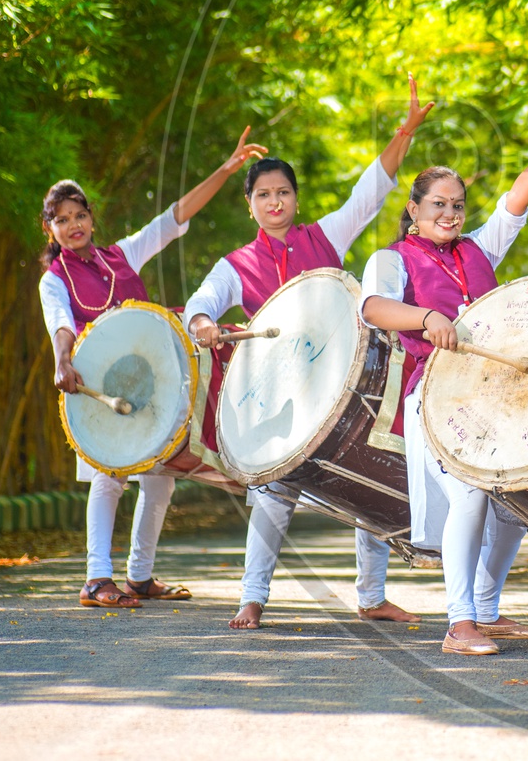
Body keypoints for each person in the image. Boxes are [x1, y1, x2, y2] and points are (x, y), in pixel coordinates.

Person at [360, 93, 528, 655]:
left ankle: (485, 608)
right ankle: (459, 625)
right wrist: (427, 316)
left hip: (497, 399)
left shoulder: (480, 249)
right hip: (433, 400)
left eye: (457, 206)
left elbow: (523, 189)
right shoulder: (392, 260)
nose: (450, 215)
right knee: (472, 496)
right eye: (437, 205)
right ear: (413, 209)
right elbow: (374, 308)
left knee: (516, 499)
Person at [184, 76, 432, 630]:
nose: (275, 202)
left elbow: (372, 189)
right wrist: (203, 325)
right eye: (263, 195)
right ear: (249, 206)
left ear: (295, 198)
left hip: (338, 391)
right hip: (274, 400)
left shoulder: (325, 237)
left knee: (366, 480)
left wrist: (406, 130)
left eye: (283, 193)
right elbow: (200, 305)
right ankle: (252, 598)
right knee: (273, 498)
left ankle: (372, 597)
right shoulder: (235, 266)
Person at [40, 128, 268, 609]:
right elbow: (61, 324)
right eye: (62, 219)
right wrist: (62, 361)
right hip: (96, 392)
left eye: (80, 214)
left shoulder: (122, 255)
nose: (74, 224)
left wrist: (227, 170)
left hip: (151, 386)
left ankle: (139, 576)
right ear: (50, 230)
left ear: (92, 218)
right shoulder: (53, 279)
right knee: (109, 479)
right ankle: (96, 578)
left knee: (159, 479)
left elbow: (175, 217)